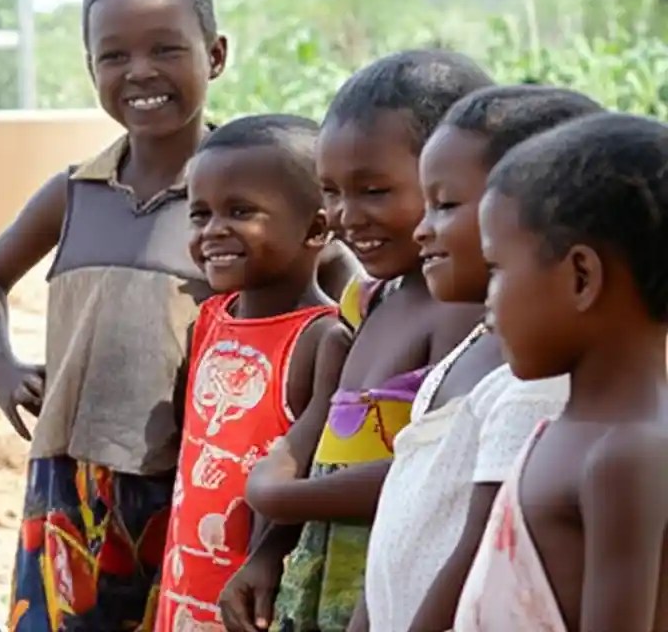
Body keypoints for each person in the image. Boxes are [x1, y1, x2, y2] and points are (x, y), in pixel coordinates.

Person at [0, 0, 357, 631]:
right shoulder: (74, 193)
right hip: (70, 484)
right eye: (113, 56)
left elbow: (349, 303)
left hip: (194, 488)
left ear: (217, 54)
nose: (140, 72)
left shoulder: (262, 193)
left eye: (166, 49)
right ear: (91, 70)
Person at [223, 49, 494, 632]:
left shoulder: (462, 318)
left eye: (374, 191)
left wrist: (279, 498)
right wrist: (268, 549)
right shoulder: (368, 300)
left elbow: (427, 476)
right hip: (324, 573)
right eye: (331, 191)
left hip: (391, 588)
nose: (347, 216)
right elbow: (317, 429)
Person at [360, 85, 604, 632]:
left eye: (445, 205)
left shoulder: (534, 387)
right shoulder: (473, 345)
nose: (421, 228)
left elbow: (477, 554)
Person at [453, 112, 668, 631]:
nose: (488, 301)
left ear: (580, 277)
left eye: (497, 270)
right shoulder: (567, 432)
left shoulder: (627, 454)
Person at [154, 114, 342, 631]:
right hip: (185, 580)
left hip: (255, 593)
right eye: (199, 215)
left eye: (240, 212)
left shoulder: (322, 339)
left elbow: (313, 469)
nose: (214, 231)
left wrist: (267, 556)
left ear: (317, 228)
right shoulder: (210, 319)